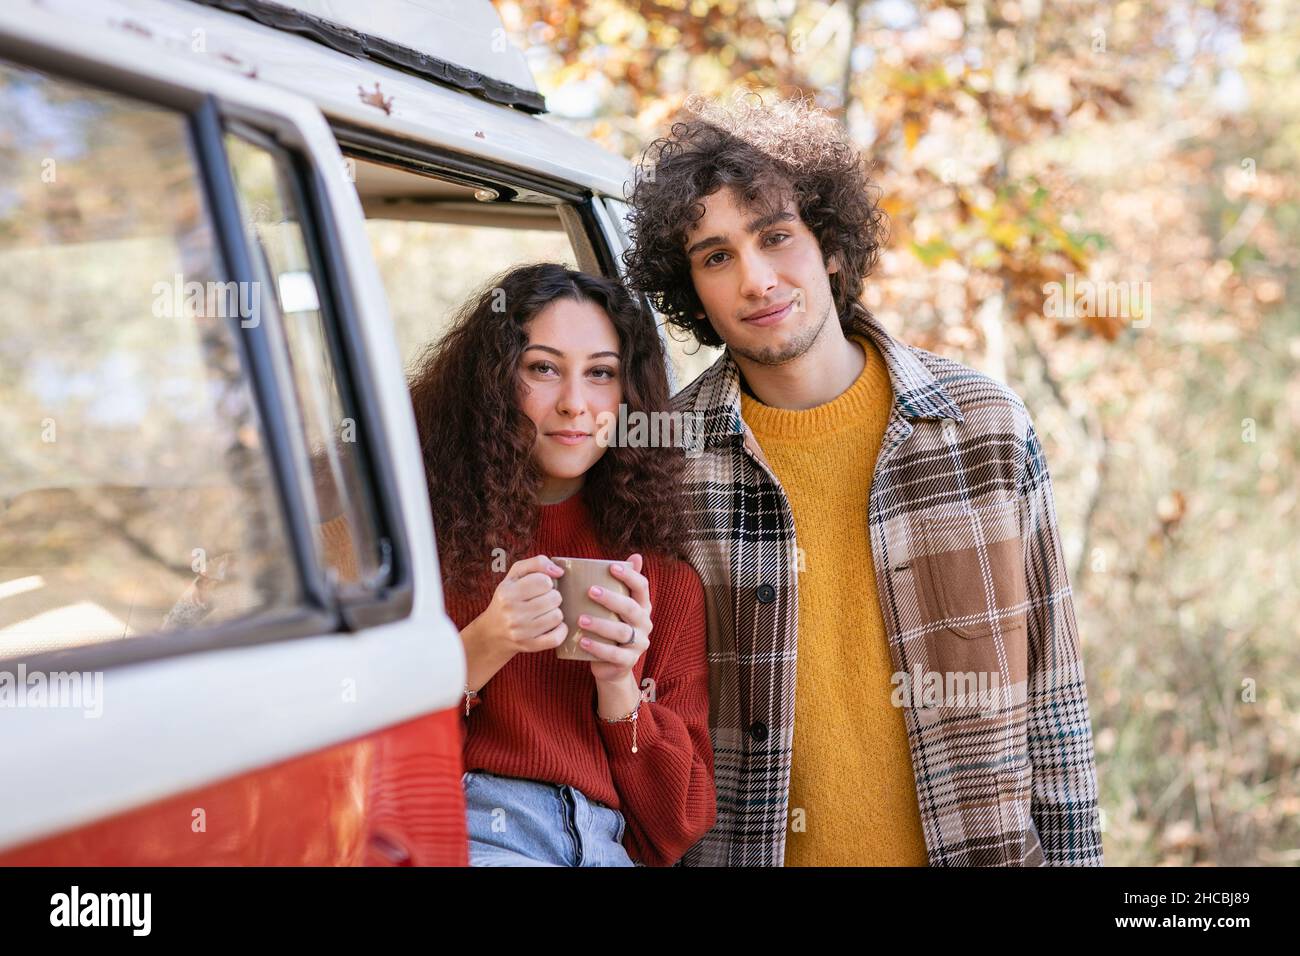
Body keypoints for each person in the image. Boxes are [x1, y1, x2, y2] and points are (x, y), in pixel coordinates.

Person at [622, 95, 1103, 867]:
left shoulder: (984, 427)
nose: (756, 280)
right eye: (716, 257)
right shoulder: (662, 462)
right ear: (693, 293)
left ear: (832, 247)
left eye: (776, 237)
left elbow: (1055, 700)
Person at [408, 262, 715, 867]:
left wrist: (619, 684)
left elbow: (678, 822)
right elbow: (380, 761)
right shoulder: (423, 536)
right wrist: (487, 642)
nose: (575, 404)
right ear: (494, 381)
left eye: (600, 374)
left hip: (604, 846)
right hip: (477, 829)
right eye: (543, 368)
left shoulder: (661, 574)